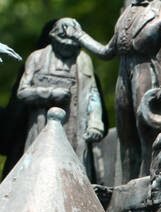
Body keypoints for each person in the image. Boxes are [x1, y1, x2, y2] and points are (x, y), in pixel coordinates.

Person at [73, 0, 161, 181]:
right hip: (123, 74)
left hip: (146, 71)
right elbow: (107, 51)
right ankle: (126, 185)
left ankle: (150, 181)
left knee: (147, 131)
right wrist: (80, 36)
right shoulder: (126, 13)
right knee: (125, 133)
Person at [5, 19, 104, 180]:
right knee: (37, 175)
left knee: (71, 176)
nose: (68, 48)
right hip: (40, 130)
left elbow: (92, 93)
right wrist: (51, 93)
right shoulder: (36, 59)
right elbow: (22, 93)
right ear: (52, 38)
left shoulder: (83, 61)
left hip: (74, 132)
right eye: (63, 43)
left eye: (72, 45)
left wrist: (95, 122)